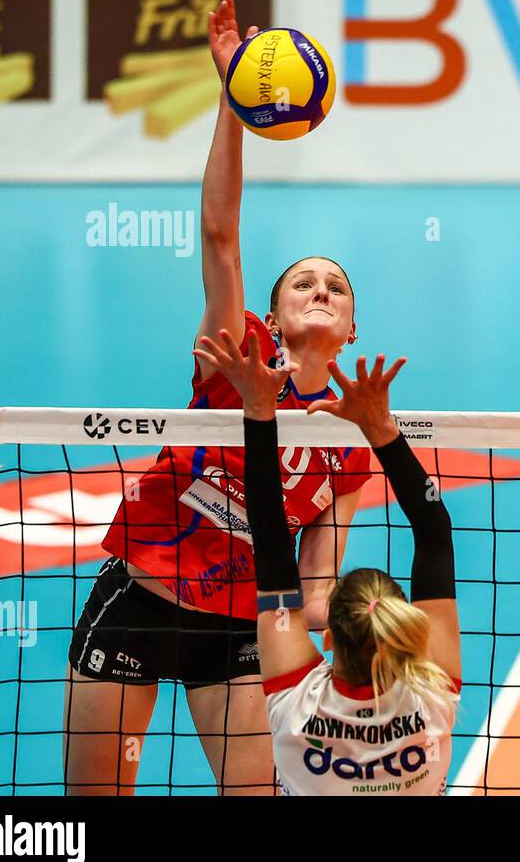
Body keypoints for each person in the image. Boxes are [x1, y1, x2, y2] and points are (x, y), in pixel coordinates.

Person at [63, 0, 373, 795]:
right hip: (139, 601)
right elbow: (220, 235)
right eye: (302, 281)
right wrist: (235, 97)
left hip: (242, 632)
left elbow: (314, 588)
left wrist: (356, 629)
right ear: (269, 315)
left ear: (349, 331)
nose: (318, 289)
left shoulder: (348, 440)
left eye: (334, 287)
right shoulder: (236, 355)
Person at [193, 328, 461, 795]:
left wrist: (258, 409)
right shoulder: (430, 697)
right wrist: (381, 428)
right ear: (409, 632)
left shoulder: (298, 707)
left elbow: (271, 544)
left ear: (329, 636)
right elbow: (434, 532)